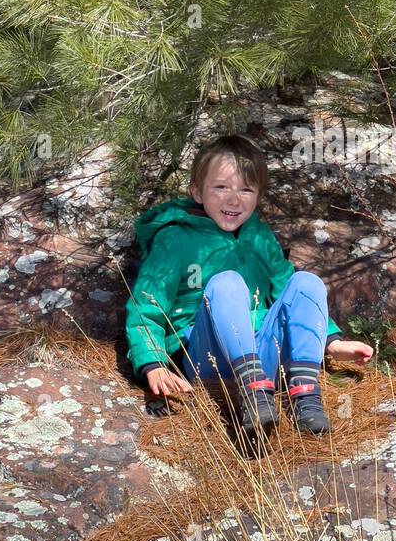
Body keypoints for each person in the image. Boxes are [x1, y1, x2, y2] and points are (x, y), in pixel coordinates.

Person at [126, 133, 374, 444]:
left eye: (246, 189)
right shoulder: (176, 239)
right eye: (221, 188)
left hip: (264, 358)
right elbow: (145, 306)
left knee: (306, 282)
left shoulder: (258, 235)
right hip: (209, 360)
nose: (233, 199)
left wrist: (330, 340)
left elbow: (290, 294)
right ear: (197, 192)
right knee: (226, 283)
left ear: (257, 195)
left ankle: (305, 395)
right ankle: (252, 391)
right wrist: (153, 363)